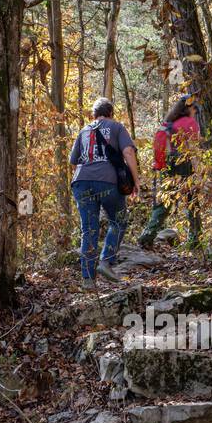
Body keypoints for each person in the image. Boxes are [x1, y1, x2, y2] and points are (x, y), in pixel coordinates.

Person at [69, 97, 140, 288]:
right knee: (118, 221)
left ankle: (87, 280)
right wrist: (136, 180)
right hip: (108, 182)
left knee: (89, 229)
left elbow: (73, 160)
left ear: (94, 114)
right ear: (110, 113)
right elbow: (128, 153)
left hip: (81, 183)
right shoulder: (117, 127)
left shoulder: (84, 130)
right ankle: (106, 261)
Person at [139, 95, 202, 248]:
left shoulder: (168, 123)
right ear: (188, 108)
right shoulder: (189, 123)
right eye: (195, 109)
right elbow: (192, 150)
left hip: (167, 165)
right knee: (192, 201)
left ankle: (147, 235)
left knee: (166, 202)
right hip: (183, 163)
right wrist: (198, 172)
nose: (195, 112)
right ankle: (194, 241)